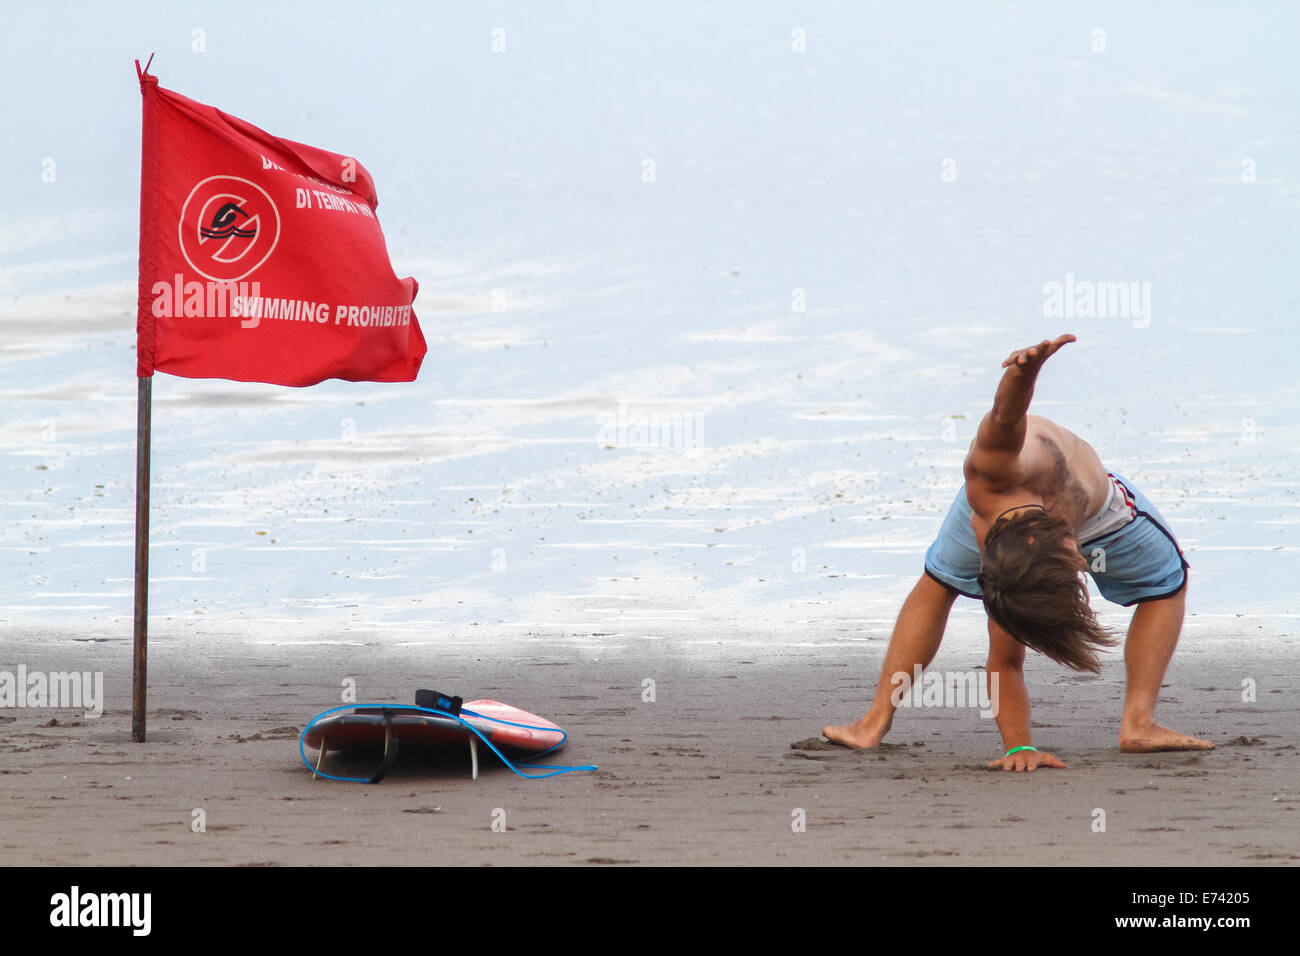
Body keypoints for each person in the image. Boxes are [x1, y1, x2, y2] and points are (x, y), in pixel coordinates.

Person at [823, 334, 1213, 770]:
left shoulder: (1013, 477)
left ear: (1071, 554)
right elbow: (1004, 660)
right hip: (1032, 524)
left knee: (1164, 582)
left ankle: (1138, 722)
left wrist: (1024, 373)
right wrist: (1019, 747)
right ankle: (874, 721)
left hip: (1100, 514)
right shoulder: (990, 480)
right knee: (941, 584)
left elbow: (1009, 416)